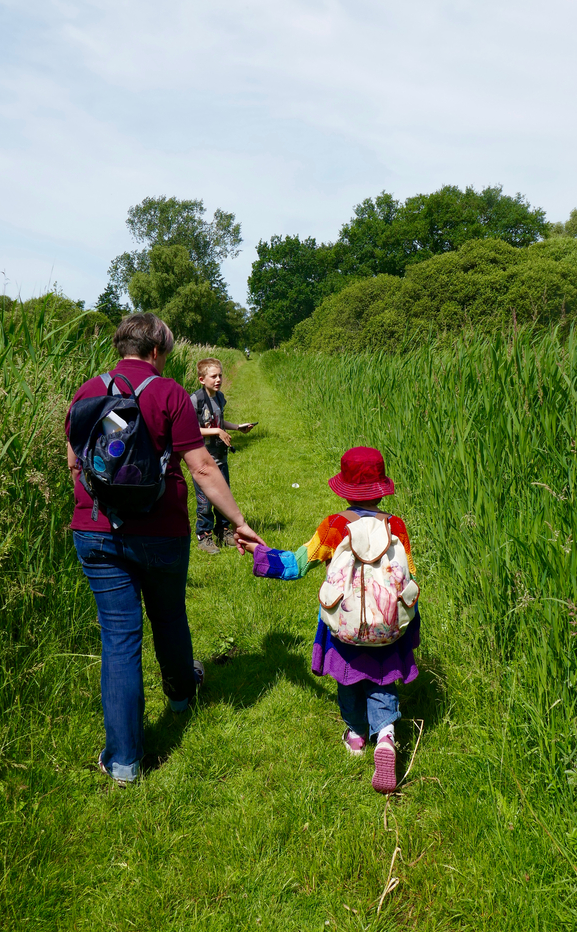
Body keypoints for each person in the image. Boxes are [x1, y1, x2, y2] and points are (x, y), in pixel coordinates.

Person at [66, 314, 262, 786]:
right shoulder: (169, 393)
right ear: (156, 350)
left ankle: (123, 762)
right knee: (169, 616)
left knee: (119, 639)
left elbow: (74, 463)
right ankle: (179, 698)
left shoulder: (87, 390)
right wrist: (239, 522)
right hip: (162, 531)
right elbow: (202, 468)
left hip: (96, 530)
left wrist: (100, 511)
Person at [237, 446, 420, 794]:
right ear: (381, 489)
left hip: (344, 625)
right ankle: (386, 736)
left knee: (348, 677)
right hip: (387, 626)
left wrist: (258, 552)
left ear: (344, 490)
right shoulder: (396, 525)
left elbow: (296, 565)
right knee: (382, 678)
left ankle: (356, 735)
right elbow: (408, 575)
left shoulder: (334, 526)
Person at [191, 357, 255, 555]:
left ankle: (223, 530)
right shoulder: (196, 400)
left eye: (220, 375)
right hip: (203, 460)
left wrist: (237, 427)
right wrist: (217, 432)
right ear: (202, 379)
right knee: (205, 501)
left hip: (221, 457)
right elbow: (191, 429)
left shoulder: (219, 397)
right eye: (213, 376)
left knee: (223, 495)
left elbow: (219, 421)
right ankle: (204, 535)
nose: (218, 379)